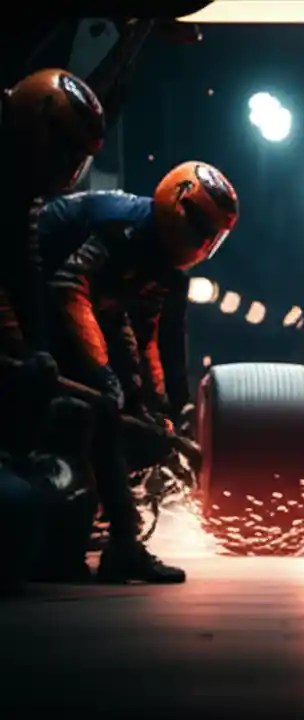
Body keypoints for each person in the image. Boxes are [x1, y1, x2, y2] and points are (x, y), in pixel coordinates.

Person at [38, 160, 239, 583]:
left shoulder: (163, 260)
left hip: (70, 309)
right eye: (200, 226)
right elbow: (68, 286)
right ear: (176, 202)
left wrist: (153, 402)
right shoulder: (122, 228)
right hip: (34, 301)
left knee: (133, 420)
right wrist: (102, 375)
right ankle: (97, 545)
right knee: (93, 415)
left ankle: (100, 536)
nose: (202, 240)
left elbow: (140, 331)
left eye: (211, 236)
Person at [0, 68, 105, 589]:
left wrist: (39, 352)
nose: (67, 166)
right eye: (64, 150)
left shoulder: (21, 193)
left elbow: (24, 276)